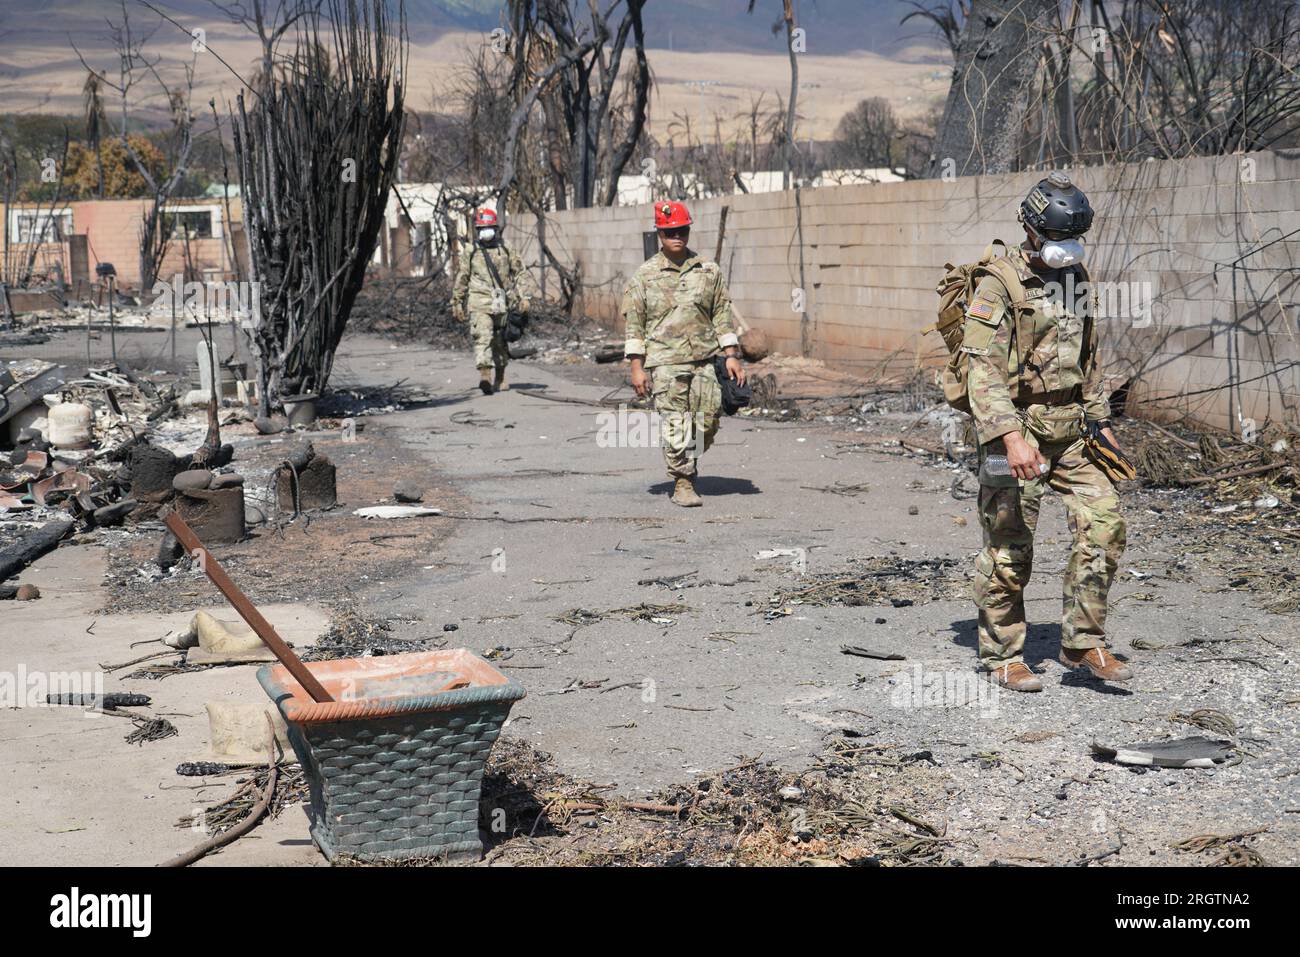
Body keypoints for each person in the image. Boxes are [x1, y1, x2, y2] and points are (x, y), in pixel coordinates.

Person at [960, 172, 1131, 692]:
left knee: (1104, 525)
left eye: (1074, 237)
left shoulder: (1077, 278)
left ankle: (1082, 641)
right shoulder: (998, 284)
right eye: (1058, 237)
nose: (1067, 247)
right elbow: (980, 369)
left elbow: (1089, 358)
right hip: (1017, 429)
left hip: (1072, 430)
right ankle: (1004, 655)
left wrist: (1101, 421)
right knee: (1009, 549)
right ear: (1032, 230)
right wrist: (1009, 438)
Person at [621, 201, 746, 507]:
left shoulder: (707, 270)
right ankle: (683, 480)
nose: (677, 236)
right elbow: (635, 325)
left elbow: (721, 315)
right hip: (665, 362)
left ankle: (687, 457)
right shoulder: (645, 276)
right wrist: (637, 368)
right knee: (675, 421)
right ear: (659, 235)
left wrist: (731, 354)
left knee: (708, 420)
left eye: (682, 230)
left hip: (705, 358)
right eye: (669, 232)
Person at [451, 207, 532, 395]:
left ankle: (501, 376)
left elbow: (519, 272)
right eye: (482, 228)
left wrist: (525, 297)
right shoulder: (471, 251)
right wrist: (457, 301)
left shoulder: (506, 248)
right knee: (483, 337)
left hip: (501, 302)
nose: (486, 232)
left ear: (496, 229)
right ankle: (485, 375)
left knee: (499, 341)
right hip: (479, 302)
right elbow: (462, 277)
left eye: (489, 228)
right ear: (478, 231)